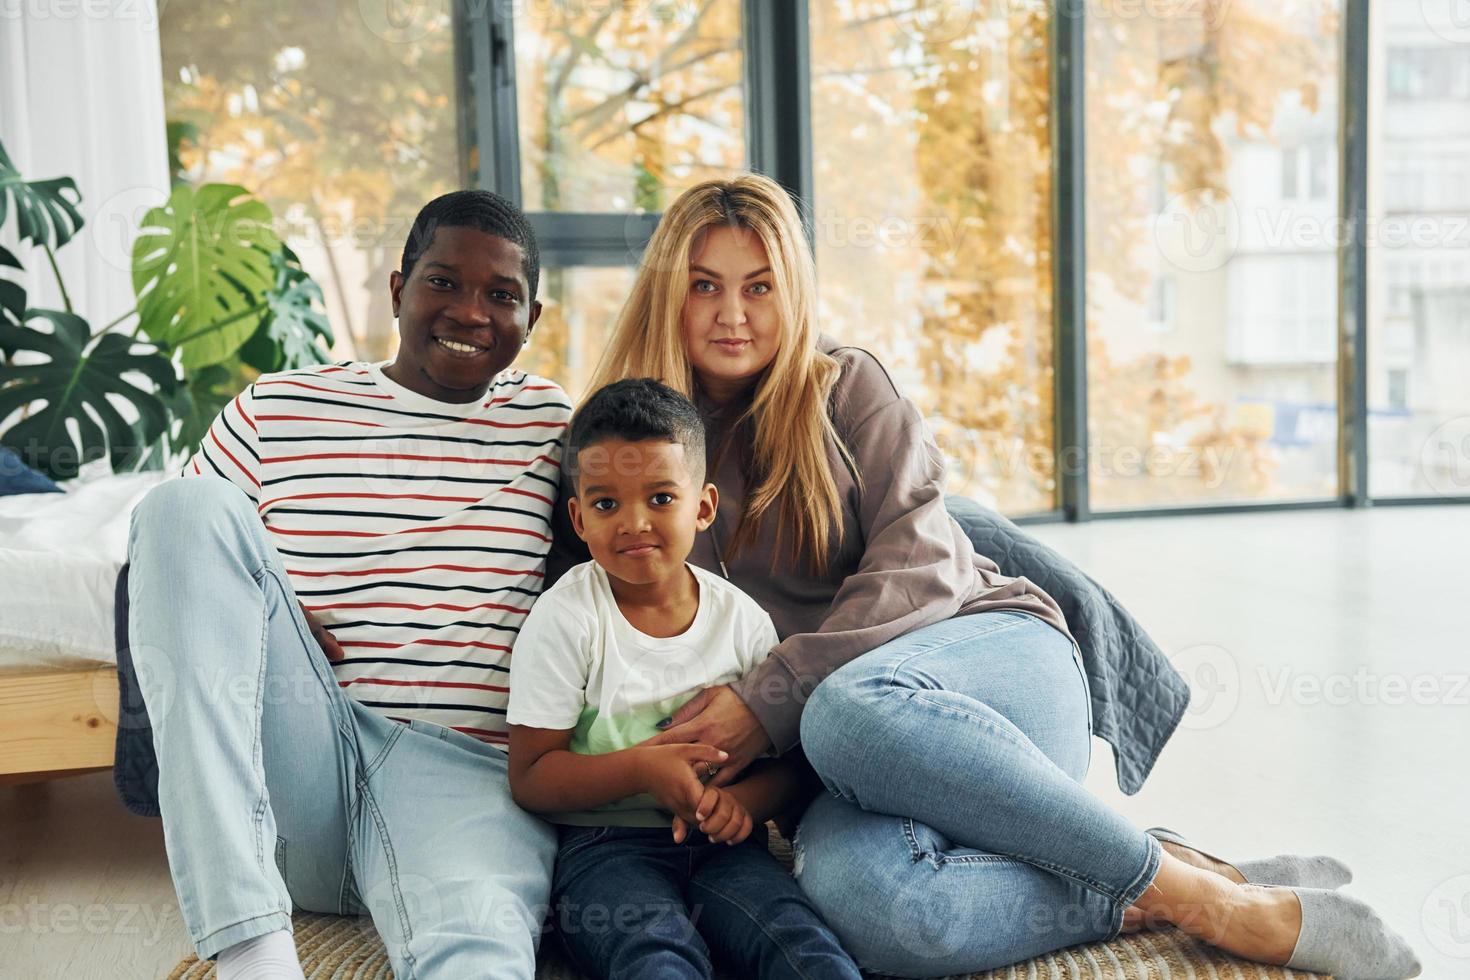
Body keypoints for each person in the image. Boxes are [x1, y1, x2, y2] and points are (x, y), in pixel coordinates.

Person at [555, 173, 1422, 980]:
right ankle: (1176, 872)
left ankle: (1229, 911)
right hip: (833, 758)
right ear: (667, 294)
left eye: (759, 285)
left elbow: (921, 560)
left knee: (844, 708)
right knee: (875, 907)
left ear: (794, 292)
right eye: (704, 284)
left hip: (991, 667)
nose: (732, 313)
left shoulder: (846, 387)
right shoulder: (626, 448)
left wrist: (764, 700)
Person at [125, 190, 570, 980]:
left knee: (481, 961)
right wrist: (274, 617)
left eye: (501, 295)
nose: (470, 312)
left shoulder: (554, 425)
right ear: (397, 288)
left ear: (533, 316)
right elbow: (176, 570)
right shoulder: (277, 408)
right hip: (295, 772)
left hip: (462, 778)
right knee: (181, 505)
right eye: (443, 282)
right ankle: (254, 952)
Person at [506, 377, 860, 980]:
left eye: (661, 498)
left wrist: (743, 803)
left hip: (724, 848)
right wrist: (643, 769)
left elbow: (793, 767)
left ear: (703, 507)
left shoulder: (743, 621)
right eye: (606, 503)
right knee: (655, 956)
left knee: (802, 946)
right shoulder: (566, 619)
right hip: (603, 850)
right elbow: (531, 778)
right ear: (579, 518)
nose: (633, 522)